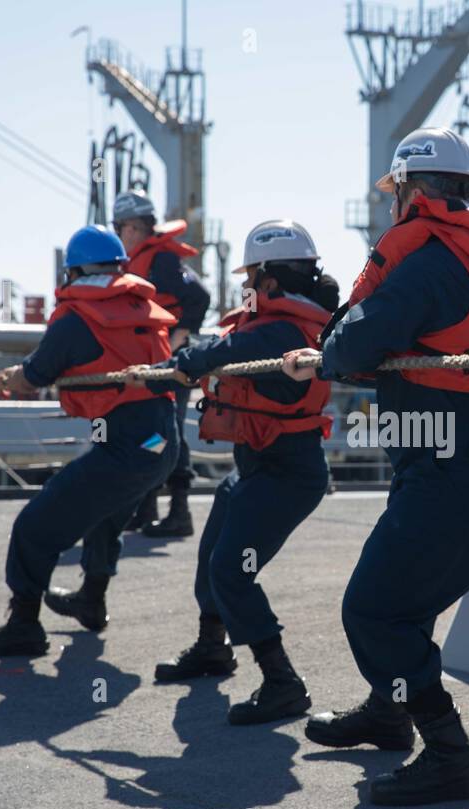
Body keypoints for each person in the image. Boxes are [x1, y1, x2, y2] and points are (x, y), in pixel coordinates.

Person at [282, 127, 469, 805]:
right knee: (404, 603)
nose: (395, 209)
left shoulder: (427, 263)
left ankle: (453, 756)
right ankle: (389, 713)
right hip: (461, 464)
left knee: (373, 611)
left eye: (398, 196)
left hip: (454, 474)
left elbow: (357, 339)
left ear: (414, 194)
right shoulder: (466, 259)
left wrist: (330, 351)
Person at [145, 220, 336, 725]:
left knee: (233, 569)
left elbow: (225, 352)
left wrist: (180, 363)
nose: (245, 287)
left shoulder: (283, 331)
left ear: (270, 281)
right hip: (257, 469)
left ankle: (282, 682)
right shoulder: (275, 325)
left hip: (287, 474)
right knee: (214, 556)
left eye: (250, 277)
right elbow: (228, 349)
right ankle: (213, 647)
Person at [0, 225, 177, 658]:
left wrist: (10, 378)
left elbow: (36, 374)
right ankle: (91, 601)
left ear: (73, 271)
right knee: (105, 517)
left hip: (125, 447)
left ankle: (24, 625)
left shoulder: (77, 314)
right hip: (162, 444)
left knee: (34, 527)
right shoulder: (143, 308)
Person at [112, 190, 211, 538]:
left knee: (168, 433)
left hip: (170, 363)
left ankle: (179, 512)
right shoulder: (140, 258)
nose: (120, 233)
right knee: (151, 433)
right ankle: (147, 508)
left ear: (136, 227)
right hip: (152, 363)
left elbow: (198, 296)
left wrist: (181, 335)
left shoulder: (161, 260)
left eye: (122, 226)